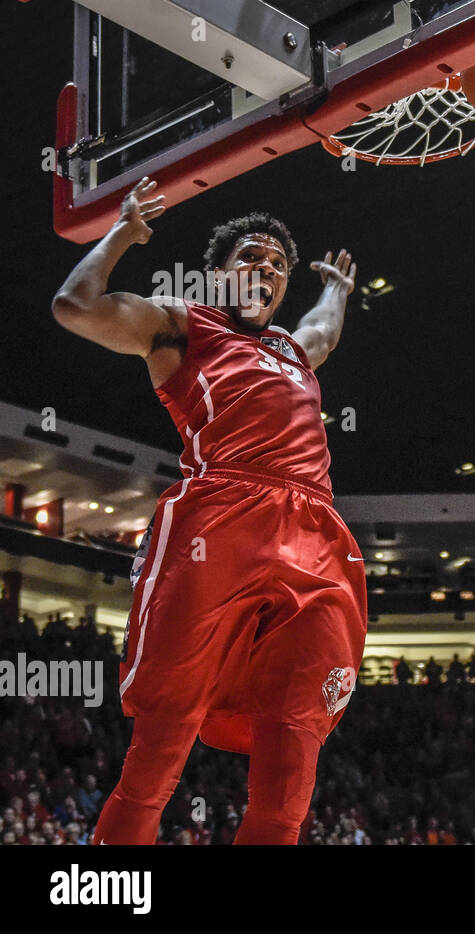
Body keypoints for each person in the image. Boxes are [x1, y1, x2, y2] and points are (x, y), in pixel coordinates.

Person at [53, 178, 366, 844]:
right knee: (163, 742)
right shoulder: (182, 324)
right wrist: (121, 234)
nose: (268, 271)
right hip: (222, 515)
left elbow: (323, 333)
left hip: (314, 529)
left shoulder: (290, 348)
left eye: (279, 265)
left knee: (293, 762)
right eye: (252, 257)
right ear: (218, 274)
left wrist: (335, 289)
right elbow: (74, 308)